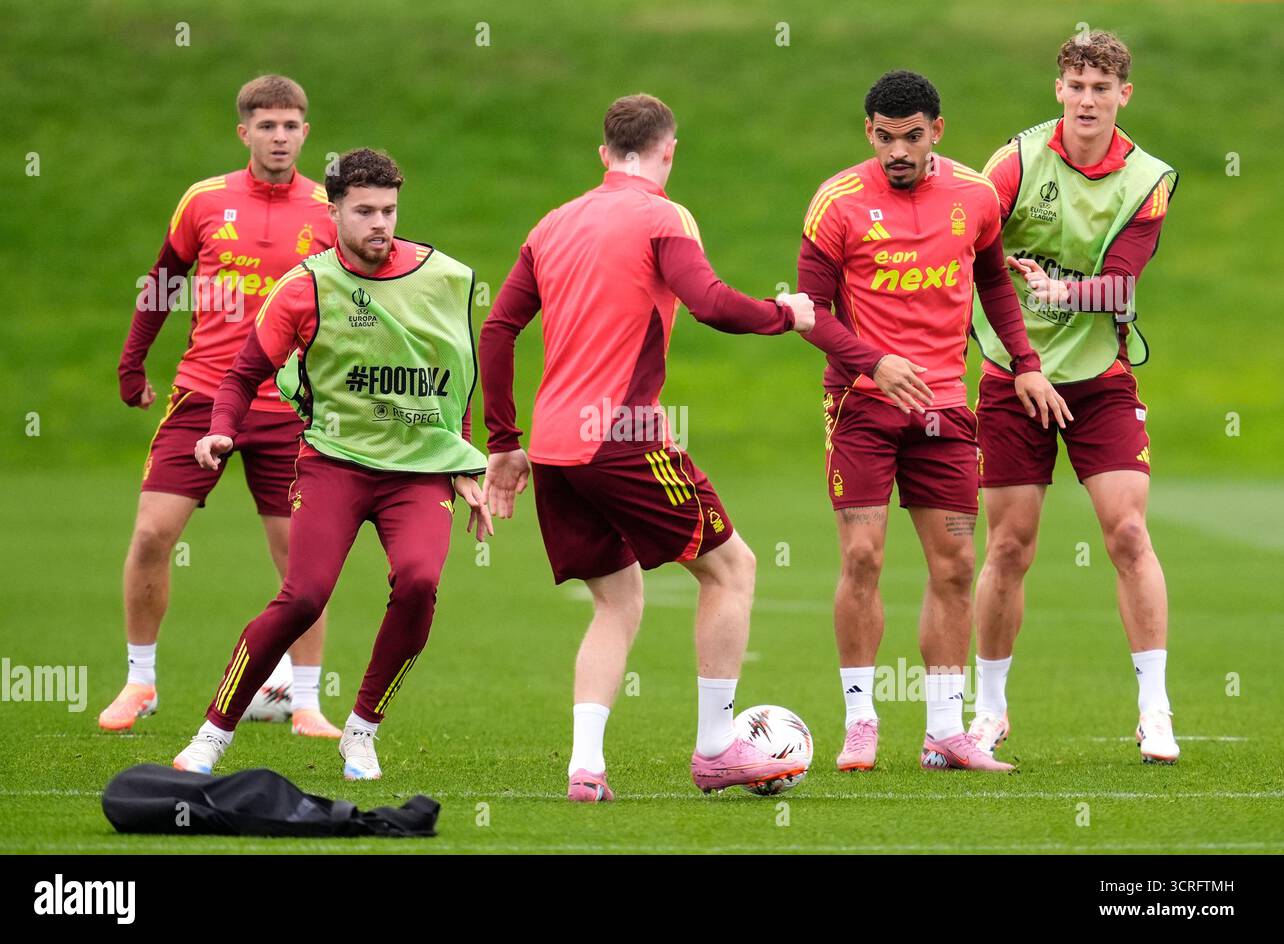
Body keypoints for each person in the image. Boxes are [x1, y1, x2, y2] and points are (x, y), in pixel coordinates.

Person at [479, 94, 816, 801]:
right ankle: (717, 748)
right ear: (669, 150)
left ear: (604, 153)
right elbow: (713, 303)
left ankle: (585, 766)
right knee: (732, 570)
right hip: (622, 438)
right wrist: (786, 313)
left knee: (617, 599)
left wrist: (504, 441)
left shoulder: (552, 223)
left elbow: (497, 330)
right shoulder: (662, 216)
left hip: (554, 450)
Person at [172, 148, 492, 780]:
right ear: (335, 210)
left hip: (420, 471)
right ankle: (214, 732)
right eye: (365, 211)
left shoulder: (446, 278)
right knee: (304, 596)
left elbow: (457, 379)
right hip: (334, 463)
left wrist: (465, 459)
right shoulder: (305, 286)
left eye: (390, 210)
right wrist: (218, 430)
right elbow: (241, 375)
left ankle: (362, 730)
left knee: (421, 582)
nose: (380, 223)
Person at [797, 71, 1069, 772]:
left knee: (955, 565)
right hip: (861, 405)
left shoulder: (975, 197)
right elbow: (811, 314)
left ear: (936, 131)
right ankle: (860, 720)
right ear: (869, 134)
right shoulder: (838, 203)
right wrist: (874, 362)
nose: (898, 151)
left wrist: (1028, 360)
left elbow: (995, 286)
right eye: (885, 138)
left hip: (946, 408)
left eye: (911, 136)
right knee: (863, 557)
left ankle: (946, 731)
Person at [103, 75, 340, 738]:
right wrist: (132, 362)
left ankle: (306, 700)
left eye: (291, 125)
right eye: (267, 126)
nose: (280, 136)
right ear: (245, 133)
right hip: (203, 395)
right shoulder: (205, 201)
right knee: (152, 534)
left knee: (302, 561)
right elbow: (162, 280)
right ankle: (140, 680)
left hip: (289, 406)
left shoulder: (329, 209)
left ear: (305, 132)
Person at [969, 31, 1180, 764]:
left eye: (1102, 88)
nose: (1087, 100)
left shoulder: (1147, 177)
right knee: (1008, 545)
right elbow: (964, 241)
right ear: (1058, 88)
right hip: (1010, 378)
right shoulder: (1014, 163)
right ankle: (990, 711)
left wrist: (1065, 289)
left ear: (1125, 95)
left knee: (1127, 534)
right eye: (1076, 85)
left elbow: (1124, 278)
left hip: (1098, 382)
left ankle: (1155, 710)